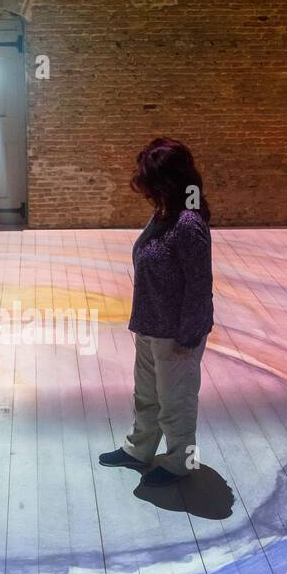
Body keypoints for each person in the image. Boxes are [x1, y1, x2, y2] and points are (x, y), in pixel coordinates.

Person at [100, 137, 214, 488]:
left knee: (176, 402)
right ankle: (139, 449)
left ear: (168, 181)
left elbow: (199, 286)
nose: (145, 189)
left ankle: (181, 461)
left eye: (149, 181)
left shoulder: (188, 224)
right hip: (150, 327)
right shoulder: (165, 214)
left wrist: (189, 338)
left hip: (176, 336)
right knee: (146, 396)